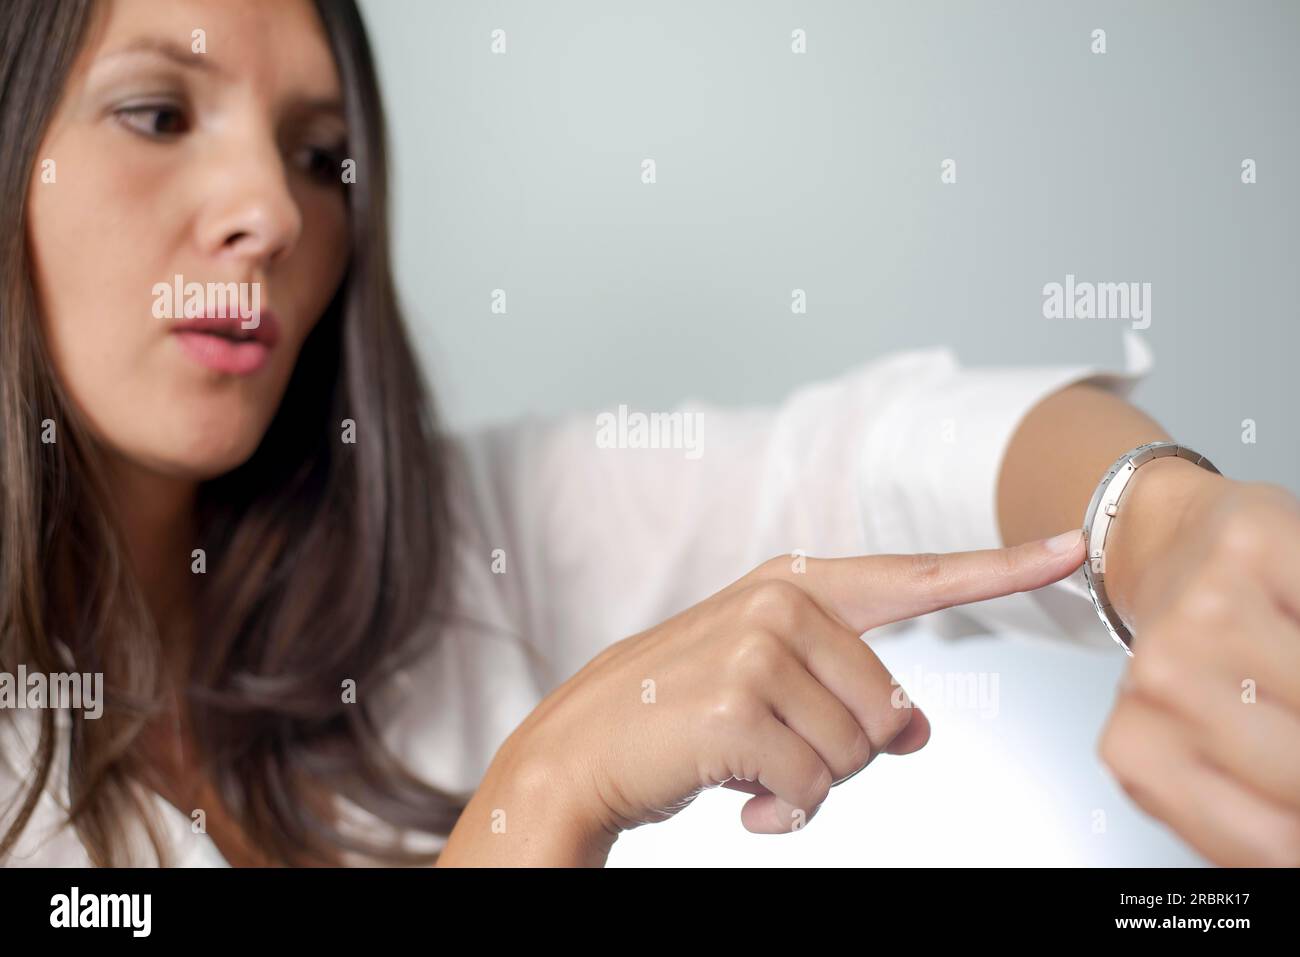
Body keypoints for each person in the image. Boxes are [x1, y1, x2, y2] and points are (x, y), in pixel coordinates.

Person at [1, 0, 1297, 868]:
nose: (270, 214)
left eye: (319, 155)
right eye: (159, 115)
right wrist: (544, 790)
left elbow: (874, 459)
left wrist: (1166, 530)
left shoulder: (473, 543)